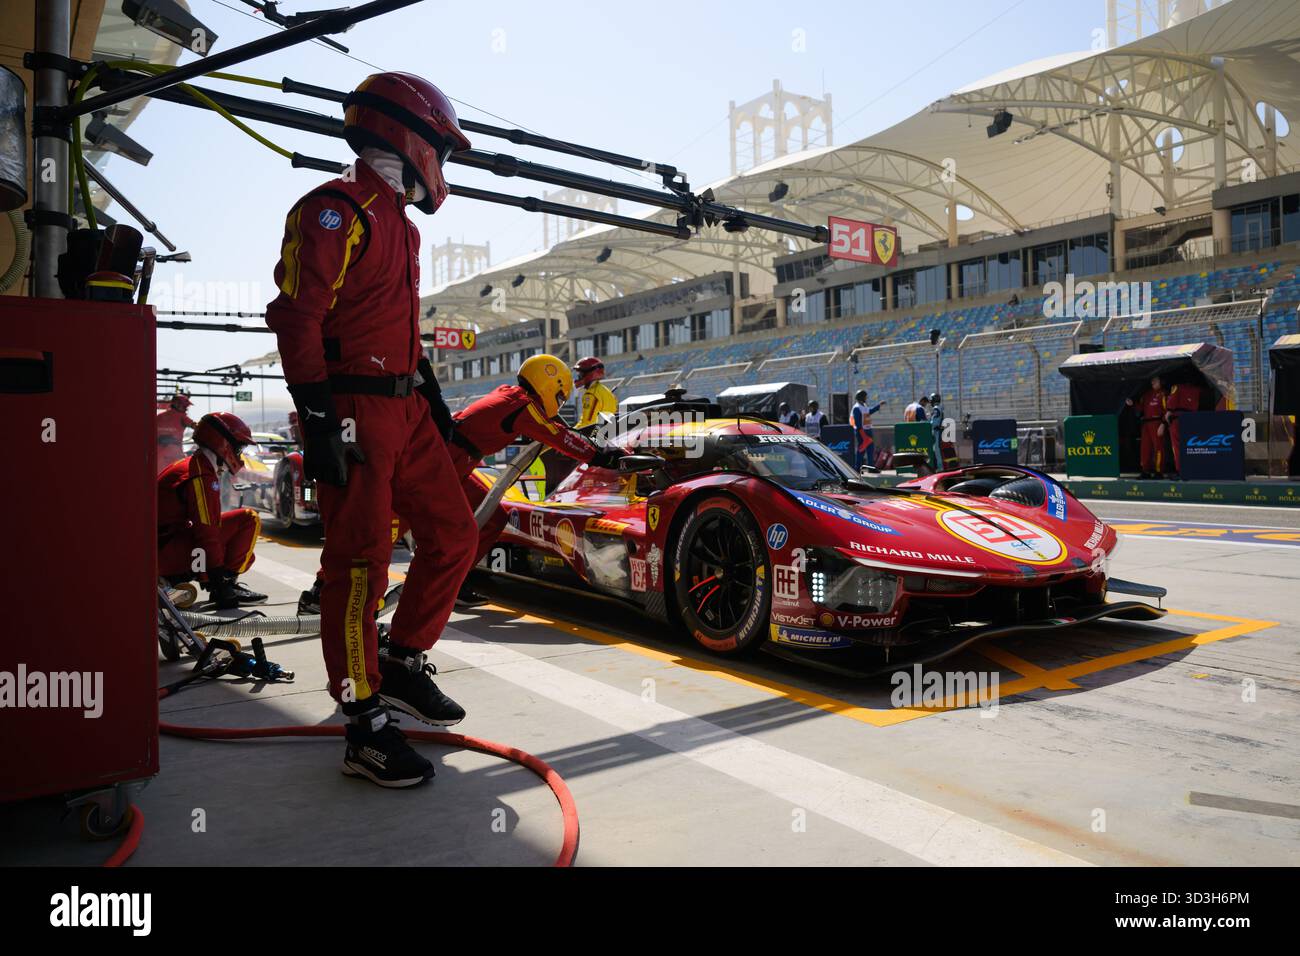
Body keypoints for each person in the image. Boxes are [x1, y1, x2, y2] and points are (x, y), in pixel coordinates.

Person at [264, 72, 478, 789]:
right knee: (358, 567)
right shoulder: (336, 210)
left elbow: (401, 334)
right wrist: (319, 418)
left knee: (455, 534)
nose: (442, 167)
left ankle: (401, 661)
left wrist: (436, 407)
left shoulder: (399, 223)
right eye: (442, 151)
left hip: (404, 407)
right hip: (353, 409)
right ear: (411, 137)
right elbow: (297, 318)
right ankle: (362, 725)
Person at [450, 354, 623, 605]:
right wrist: (601, 456)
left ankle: (453, 582)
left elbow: (553, 425)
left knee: (494, 517)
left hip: (457, 461)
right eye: (560, 395)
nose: (561, 401)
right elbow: (559, 435)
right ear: (550, 384)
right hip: (447, 464)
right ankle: (440, 580)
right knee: (445, 528)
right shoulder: (524, 406)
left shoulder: (512, 396)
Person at [157, 412, 268, 610]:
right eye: (238, 447)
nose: (239, 453)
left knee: (234, 541)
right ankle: (227, 584)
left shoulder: (192, 465)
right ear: (224, 443)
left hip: (162, 548)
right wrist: (219, 582)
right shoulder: (201, 474)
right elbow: (206, 532)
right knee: (248, 519)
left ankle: (173, 583)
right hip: (166, 552)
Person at [1126, 375, 1169, 479]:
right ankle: (1145, 471)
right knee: (1145, 448)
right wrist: (1132, 404)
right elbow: (1140, 408)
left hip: (1157, 423)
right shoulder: (1146, 395)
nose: (1152, 382)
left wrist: (1163, 424)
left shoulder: (1164, 394)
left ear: (1161, 382)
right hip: (1146, 424)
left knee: (1158, 447)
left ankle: (1159, 472)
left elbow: (1167, 410)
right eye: (1152, 381)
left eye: (1155, 380)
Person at [1164, 380, 1203, 477]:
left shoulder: (1177, 386)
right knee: (1191, 445)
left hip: (1178, 419)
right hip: (1192, 419)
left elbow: (1172, 401)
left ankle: (1180, 470)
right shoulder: (1198, 389)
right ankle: (1192, 469)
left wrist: (1168, 412)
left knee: (1177, 446)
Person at [574, 356, 617, 428]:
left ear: (590, 373)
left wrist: (570, 432)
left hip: (595, 435)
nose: (578, 377)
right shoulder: (603, 390)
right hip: (607, 433)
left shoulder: (591, 394)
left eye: (581, 373)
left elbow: (587, 424)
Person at [156, 391, 194, 471]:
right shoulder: (182, 417)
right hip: (174, 457)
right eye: (185, 407)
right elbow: (196, 426)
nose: (186, 409)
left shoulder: (159, 417)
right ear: (178, 405)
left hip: (158, 458)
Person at [851, 389, 885, 470]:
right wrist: (863, 435)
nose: (866, 398)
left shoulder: (864, 406)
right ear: (861, 397)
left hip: (868, 430)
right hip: (862, 432)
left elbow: (870, 411)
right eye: (865, 396)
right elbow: (858, 423)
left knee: (870, 450)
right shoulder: (857, 408)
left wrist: (878, 405)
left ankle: (871, 467)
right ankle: (857, 468)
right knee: (861, 450)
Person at [927, 392, 946, 470]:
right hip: (938, 431)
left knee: (937, 450)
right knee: (937, 450)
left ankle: (940, 468)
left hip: (936, 432)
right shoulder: (939, 407)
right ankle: (939, 467)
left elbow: (933, 423)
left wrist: (927, 423)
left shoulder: (936, 408)